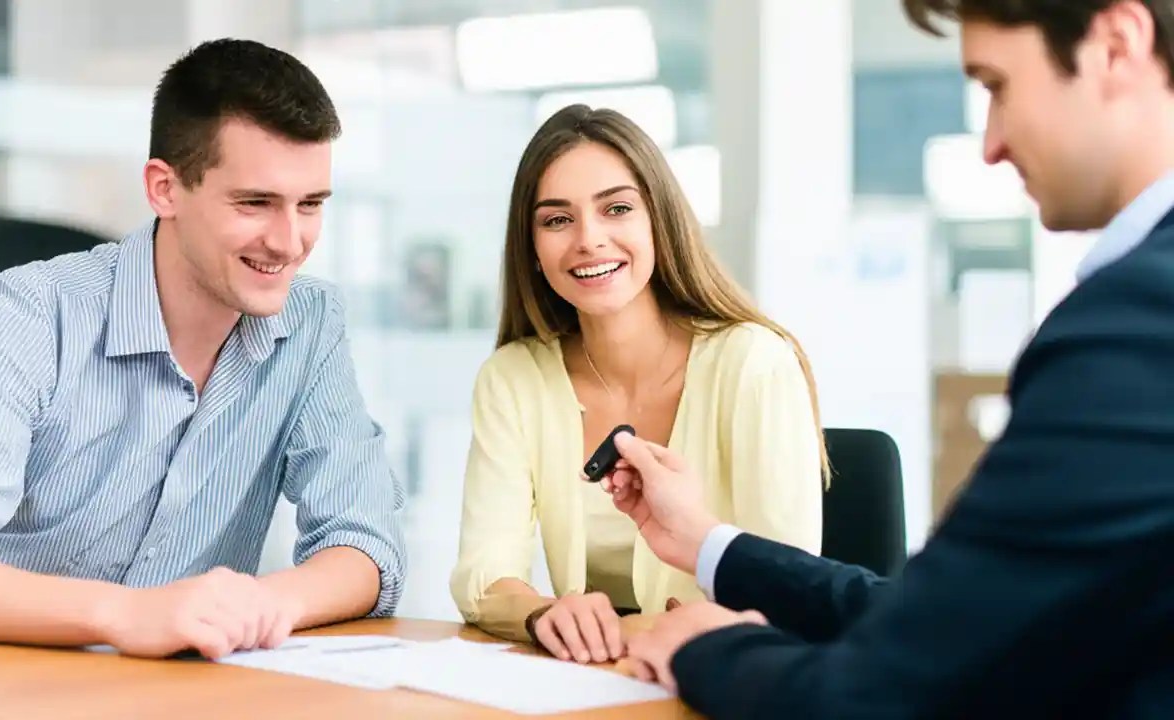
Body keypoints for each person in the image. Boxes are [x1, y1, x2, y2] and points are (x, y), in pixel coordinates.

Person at [608, 1, 1174, 717]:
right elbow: (956, 618)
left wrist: (703, 648)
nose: (990, 145)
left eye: (997, 85)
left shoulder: (1138, 322)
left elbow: (880, 695)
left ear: (1117, 45)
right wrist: (709, 544)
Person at [0, 38, 406, 660]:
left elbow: (367, 542)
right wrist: (124, 615)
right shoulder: (30, 314)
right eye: (255, 203)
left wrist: (268, 605)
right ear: (164, 189)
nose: (289, 241)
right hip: (3, 689)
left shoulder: (311, 323)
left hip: (178, 695)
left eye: (311, 205)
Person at [448, 104, 828, 665]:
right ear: (530, 246)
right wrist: (543, 612)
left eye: (617, 209)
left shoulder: (754, 364)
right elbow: (483, 577)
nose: (588, 240)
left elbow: (789, 585)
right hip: (590, 679)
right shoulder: (515, 378)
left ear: (659, 218)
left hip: (729, 675)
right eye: (557, 220)